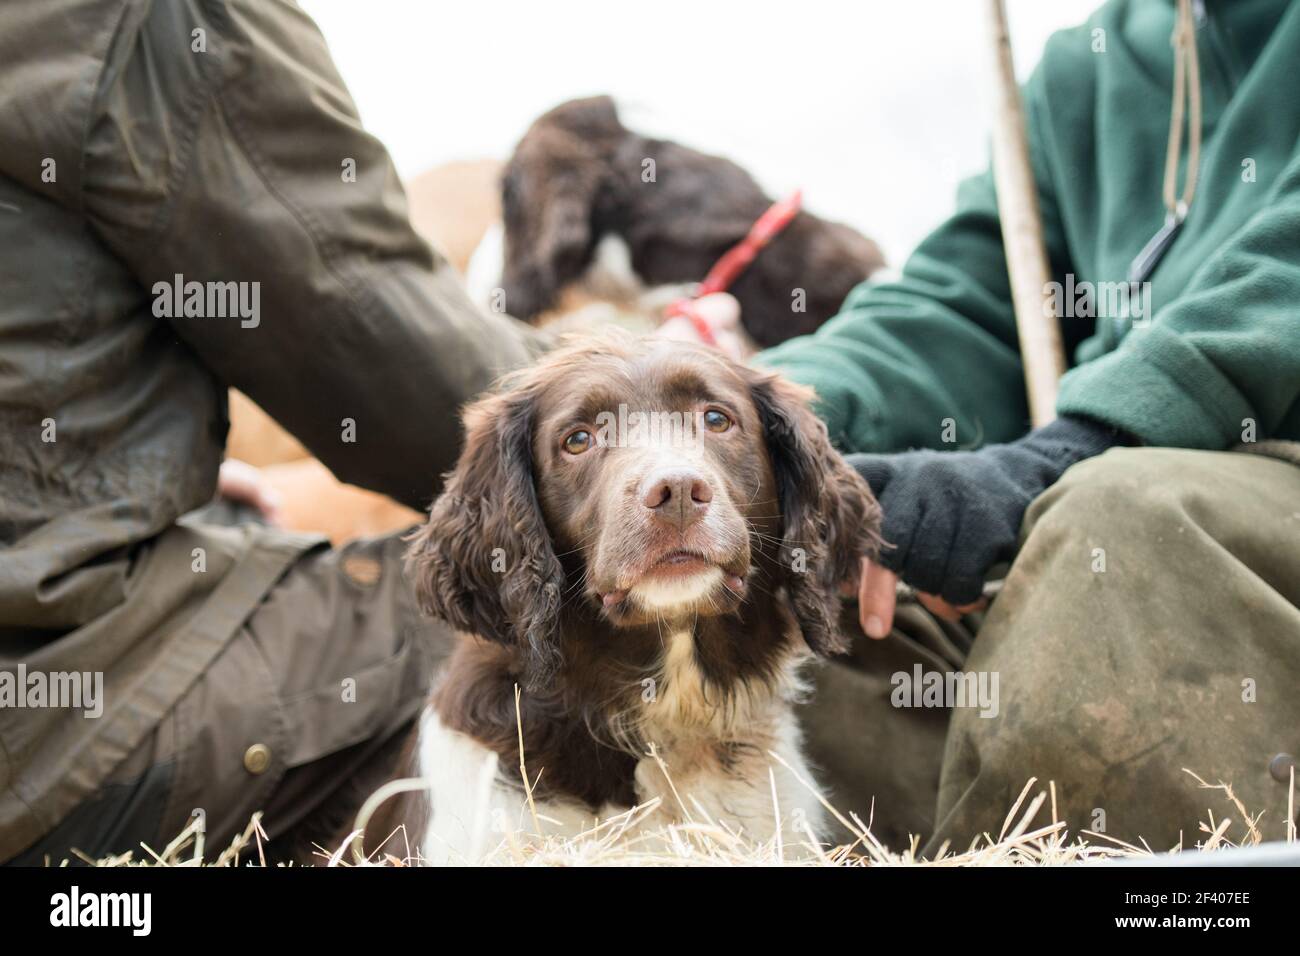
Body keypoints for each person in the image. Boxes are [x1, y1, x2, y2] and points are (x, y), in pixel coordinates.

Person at [749, 0, 1300, 852]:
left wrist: (1068, 448)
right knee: (802, 606)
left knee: (1118, 529)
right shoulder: (1088, 63)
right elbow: (970, 301)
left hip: (1228, 491)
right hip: (1116, 477)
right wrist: (767, 420)